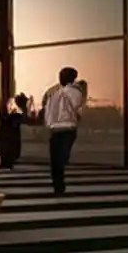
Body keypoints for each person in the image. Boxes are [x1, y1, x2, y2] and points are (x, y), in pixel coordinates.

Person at [42, 67, 86, 195]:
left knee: (61, 157)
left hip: (67, 128)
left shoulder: (74, 92)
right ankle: (58, 186)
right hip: (56, 129)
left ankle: (59, 183)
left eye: (62, 76)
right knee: (55, 160)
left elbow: (75, 104)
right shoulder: (56, 92)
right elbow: (49, 109)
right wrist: (49, 124)